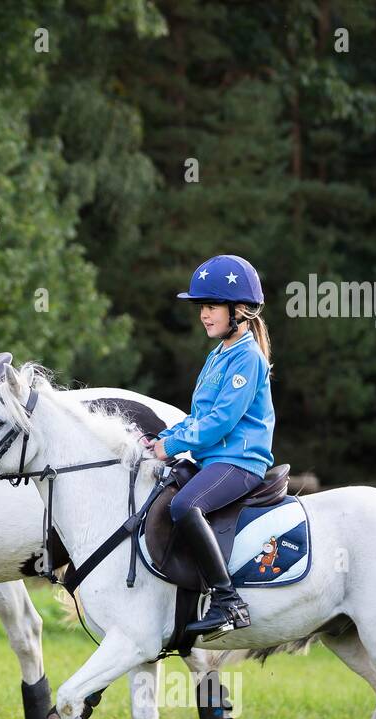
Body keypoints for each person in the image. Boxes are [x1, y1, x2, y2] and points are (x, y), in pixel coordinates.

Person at [145, 254, 276, 636]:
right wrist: (163, 439)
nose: (204, 314)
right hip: (213, 460)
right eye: (202, 307)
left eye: (212, 306)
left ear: (240, 311)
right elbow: (199, 414)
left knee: (186, 504)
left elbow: (221, 421)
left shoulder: (247, 357)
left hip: (240, 462)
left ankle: (227, 601)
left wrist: (172, 446)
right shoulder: (219, 353)